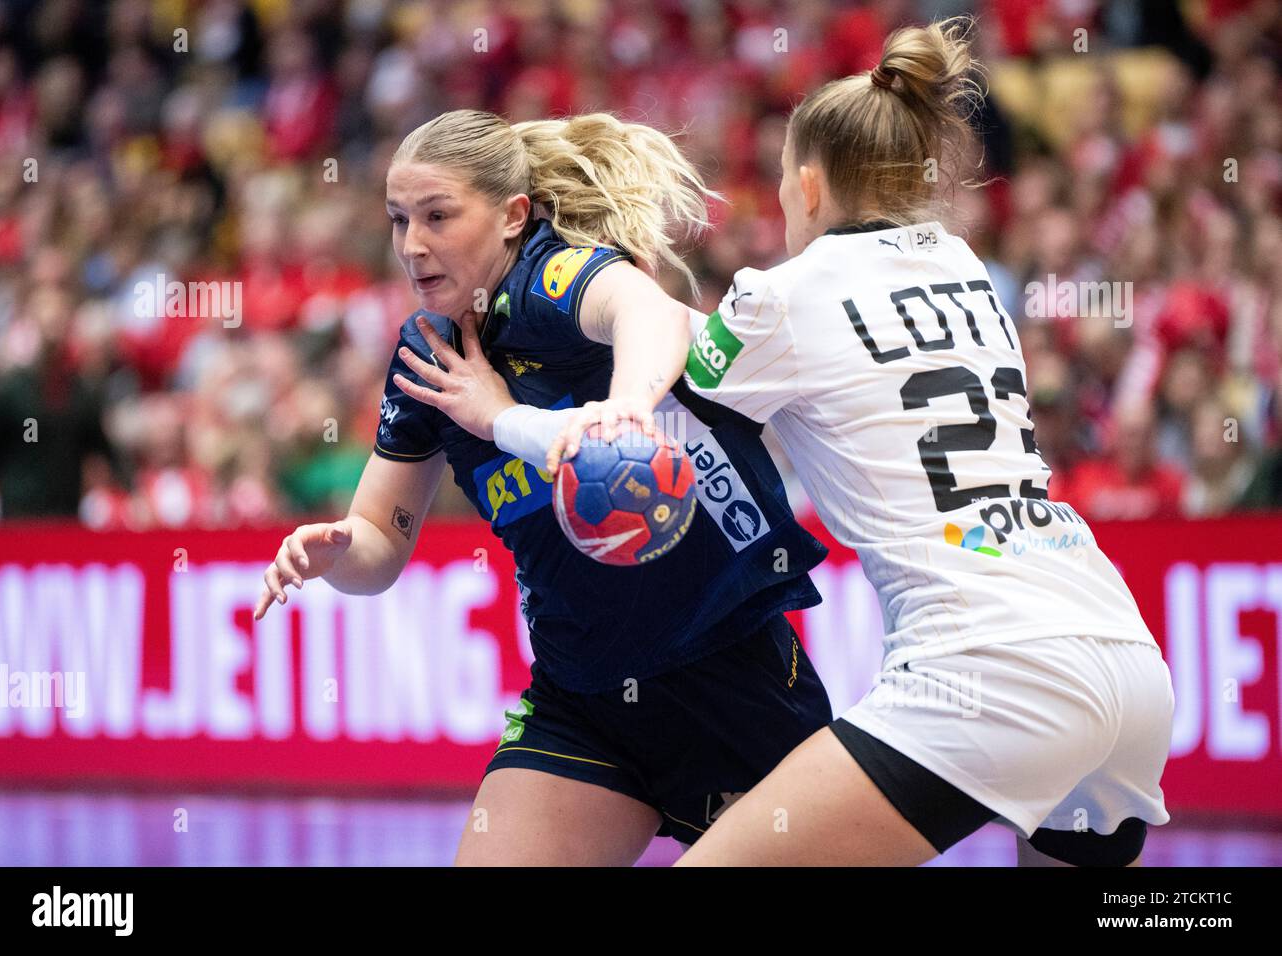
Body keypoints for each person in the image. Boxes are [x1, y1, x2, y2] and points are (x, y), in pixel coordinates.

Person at [452, 19, 1174, 866]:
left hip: (985, 671)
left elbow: (656, 380)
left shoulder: (782, 297)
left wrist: (497, 412)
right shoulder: (968, 268)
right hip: (1125, 658)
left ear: (807, 186)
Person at [253, 109, 834, 865]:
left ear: (511, 218)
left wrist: (623, 410)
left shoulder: (549, 277)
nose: (412, 245)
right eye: (399, 221)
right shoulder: (427, 356)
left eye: (438, 216)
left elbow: (646, 311)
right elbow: (379, 545)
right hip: (582, 697)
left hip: (731, 674)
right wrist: (334, 550)